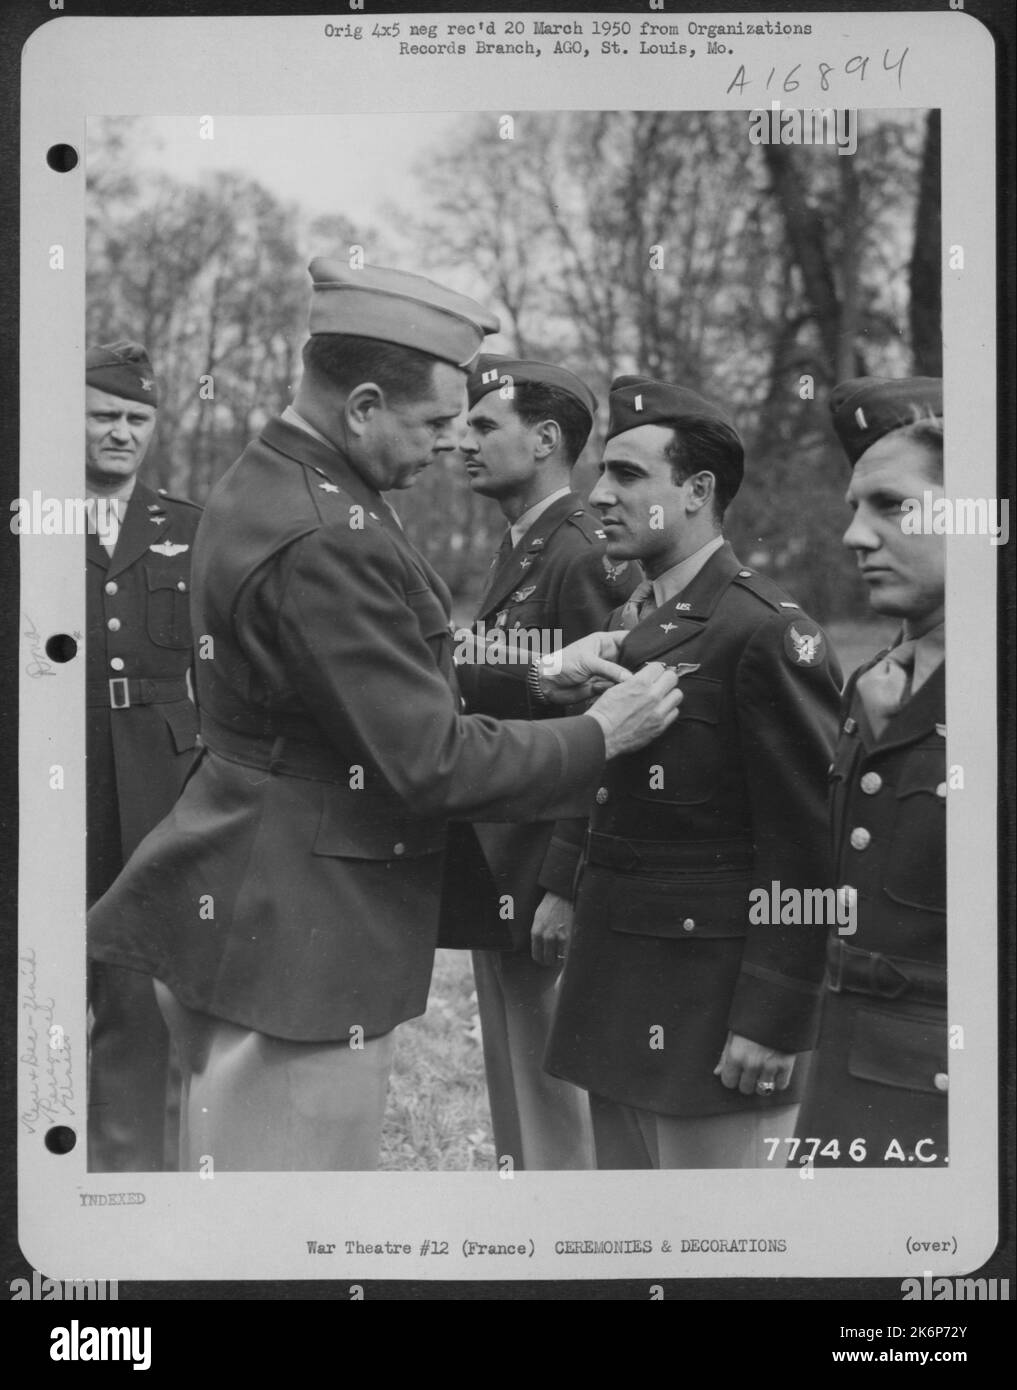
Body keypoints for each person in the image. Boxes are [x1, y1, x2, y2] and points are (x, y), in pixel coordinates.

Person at [87, 263, 681, 1173]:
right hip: (304, 940)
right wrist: (603, 733)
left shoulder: (275, 475)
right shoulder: (331, 534)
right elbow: (429, 761)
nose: (449, 444)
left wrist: (541, 672)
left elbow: (349, 684)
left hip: (254, 892)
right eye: (437, 423)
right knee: (294, 1233)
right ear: (363, 405)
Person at [543, 374, 843, 1169]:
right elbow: (603, 775)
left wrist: (775, 1017)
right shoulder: (626, 623)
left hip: (711, 1013)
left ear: (697, 490)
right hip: (614, 989)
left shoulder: (763, 633)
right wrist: (559, 878)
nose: (599, 494)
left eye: (628, 475)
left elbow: (809, 839)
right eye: (601, 473)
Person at [443, 353, 636, 1171]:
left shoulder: (581, 553)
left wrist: (565, 878)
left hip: (544, 869)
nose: (462, 442)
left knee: (557, 1094)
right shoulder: (523, 544)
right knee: (518, 1078)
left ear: (547, 438)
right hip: (500, 856)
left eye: (485, 425)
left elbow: (612, 732)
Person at [794, 376, 947, 1167]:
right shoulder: (874, 682)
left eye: (889, 506)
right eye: (853, 508)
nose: (854, 536)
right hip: (845, 1085)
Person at [84, 340, 201, 1171]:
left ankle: (132, 1187)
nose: (121, 433)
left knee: (140, 998)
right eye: (102, 417)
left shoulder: (190, 530)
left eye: (136, 419)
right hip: (52, 789)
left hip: (158, 794)